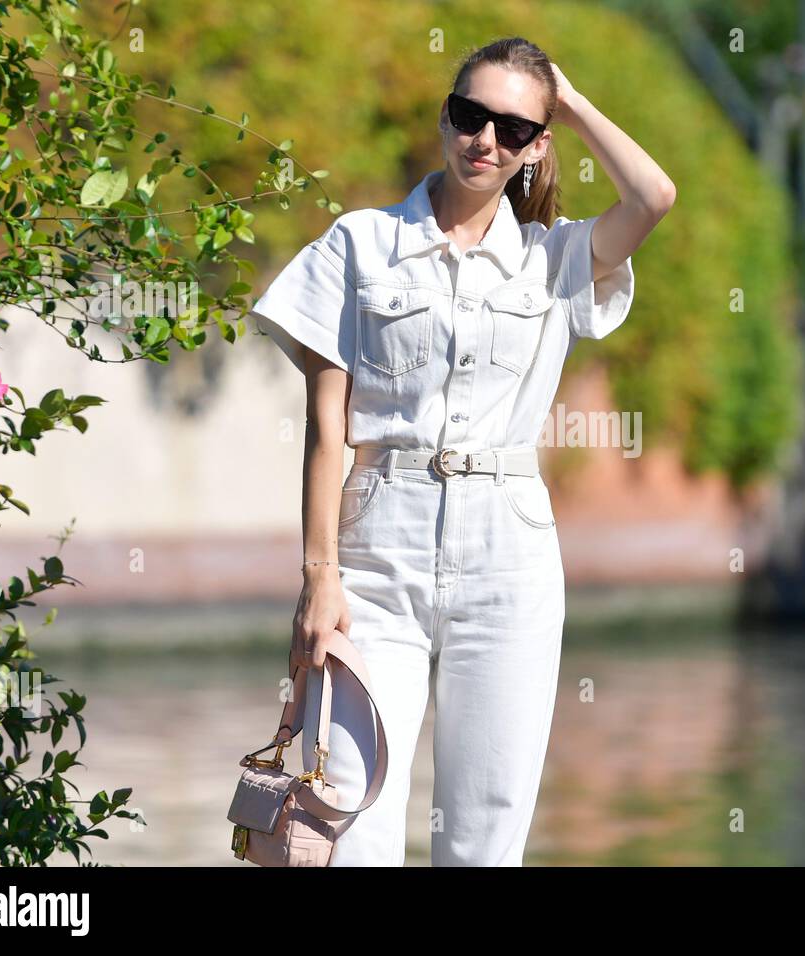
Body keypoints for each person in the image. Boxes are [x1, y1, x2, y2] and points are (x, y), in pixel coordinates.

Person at [249, 36, 676, 866]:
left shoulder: (556, 260)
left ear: (536, 146)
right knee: (349, 820)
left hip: (508, 552)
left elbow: (654, 194)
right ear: (446, 117)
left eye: (515, 128)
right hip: (378, 549)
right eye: (472, 116)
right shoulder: (359, 243)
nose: (488, 139)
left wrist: (570, 99)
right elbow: (325, 424)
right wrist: (318, 577)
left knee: (486, 830)